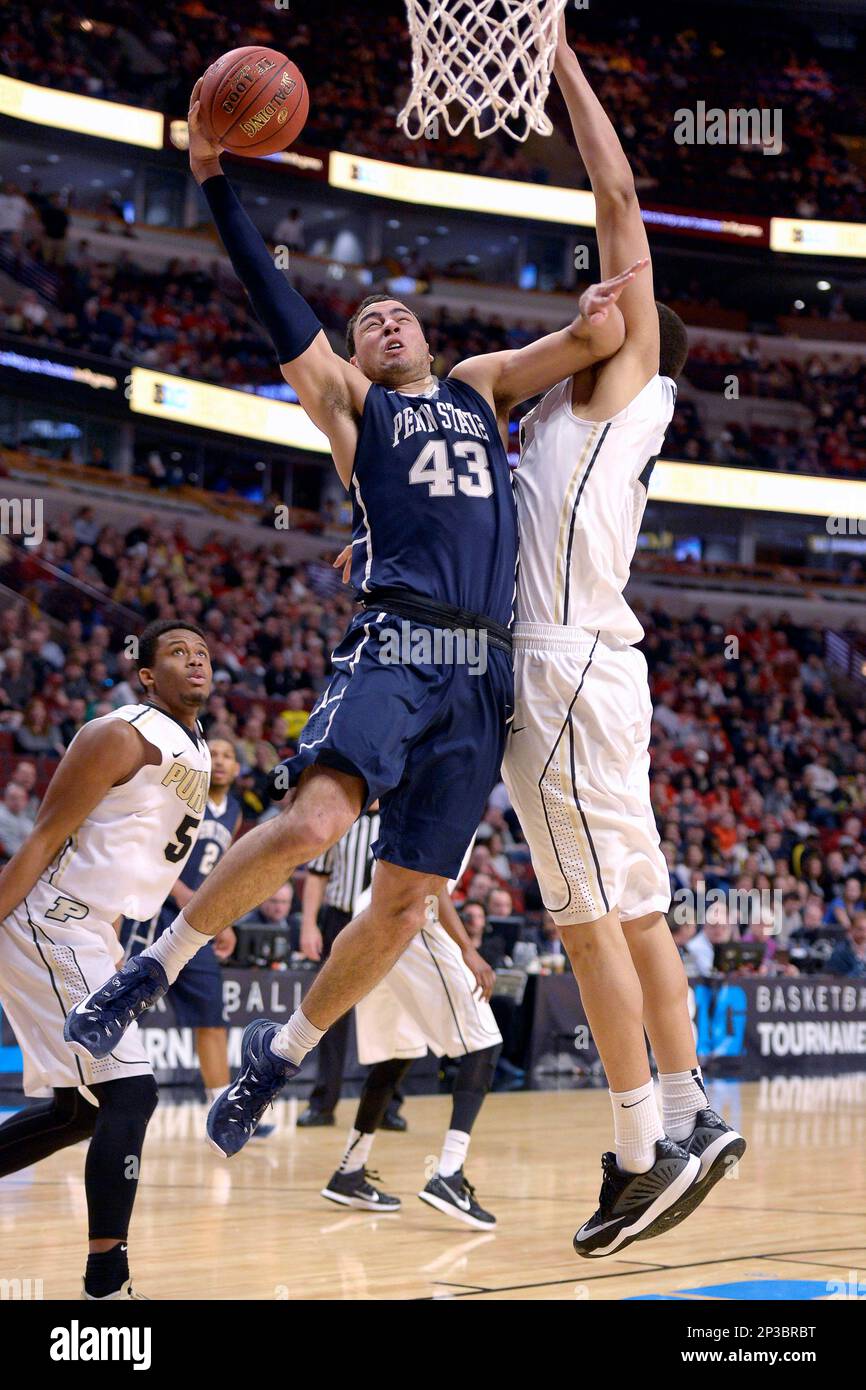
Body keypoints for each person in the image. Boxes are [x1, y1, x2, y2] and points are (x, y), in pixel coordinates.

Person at [66, 78, 630, 1171]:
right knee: (319, 817)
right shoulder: (352, 407)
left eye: (396, 313)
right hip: (400, 638)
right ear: (357, 352)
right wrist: (215, 182)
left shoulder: (475, 386)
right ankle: (153, 966)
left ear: (423, 334)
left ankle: (278, 1058)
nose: (382, 320)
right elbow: (274, 297)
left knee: (410, 897)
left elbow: (578, 344)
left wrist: (597, 319)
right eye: (366, 318)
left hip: (484, 669)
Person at [500, 23, 744, 1259]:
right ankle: (686, 1113)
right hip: (589, 667)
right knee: (632, 915)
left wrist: (553, 54)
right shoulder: (561, 409)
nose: (594, 293)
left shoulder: (623, 377)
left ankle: (646, 1144)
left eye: (611, 293)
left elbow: (616, 192)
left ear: (640, 330)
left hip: (563, 667)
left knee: (588, 924)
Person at [0, 620, 212, 1299]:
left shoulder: (196, 746)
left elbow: (135, 852)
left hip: (97, 932)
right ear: (146, 674)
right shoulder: (117, 734)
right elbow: (41, 840)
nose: (196, 661)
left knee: (79, 1112)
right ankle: (106, 1284)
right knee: (133, 1091)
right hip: (50, 921)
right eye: (178, 653)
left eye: (204, 653)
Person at [321, 867, 501, 1228]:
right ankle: (448, 1175)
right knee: (484, 1043)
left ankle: (350, 1172)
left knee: (396, 1053)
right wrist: (468, 948)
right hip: (412, 910)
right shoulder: (461, 808)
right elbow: (436, 880)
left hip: (372, 909)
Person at [122, 735, 242, 1113]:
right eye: (215, 754)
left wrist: (224, 918)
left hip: (198, 921)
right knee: (123, 1009)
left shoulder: (235, 810)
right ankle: (92, 1101)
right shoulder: (182, 793)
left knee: (211, 1016)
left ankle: (219, 1109)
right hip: (154, 914)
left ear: (237, 769)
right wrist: (180, 892)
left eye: (228, 756)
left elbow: (222, 870)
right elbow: (147, 849)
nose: (220, 761)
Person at [296, 804, 405, 1131]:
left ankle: (386, 1105)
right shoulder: (343, 814)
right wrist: (308, 926)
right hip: (340, 920)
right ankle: (323, 1103)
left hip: (387, 923)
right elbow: (317, 875)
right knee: (330, 1011)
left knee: (391, 1013)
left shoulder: (401, 815)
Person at [0, 782, 36, 861]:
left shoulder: (27, 820)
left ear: (26, 800)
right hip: (7, 860)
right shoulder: (1, 815)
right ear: (5, 798)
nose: (17, 802)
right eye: (13, 798)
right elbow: (11, 849)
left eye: (21, 798)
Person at [825, 912, 866, 977]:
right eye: (860, 929)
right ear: (851, 929)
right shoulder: (840, 952)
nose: (864, 934)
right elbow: (838, 979)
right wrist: (860, 964)